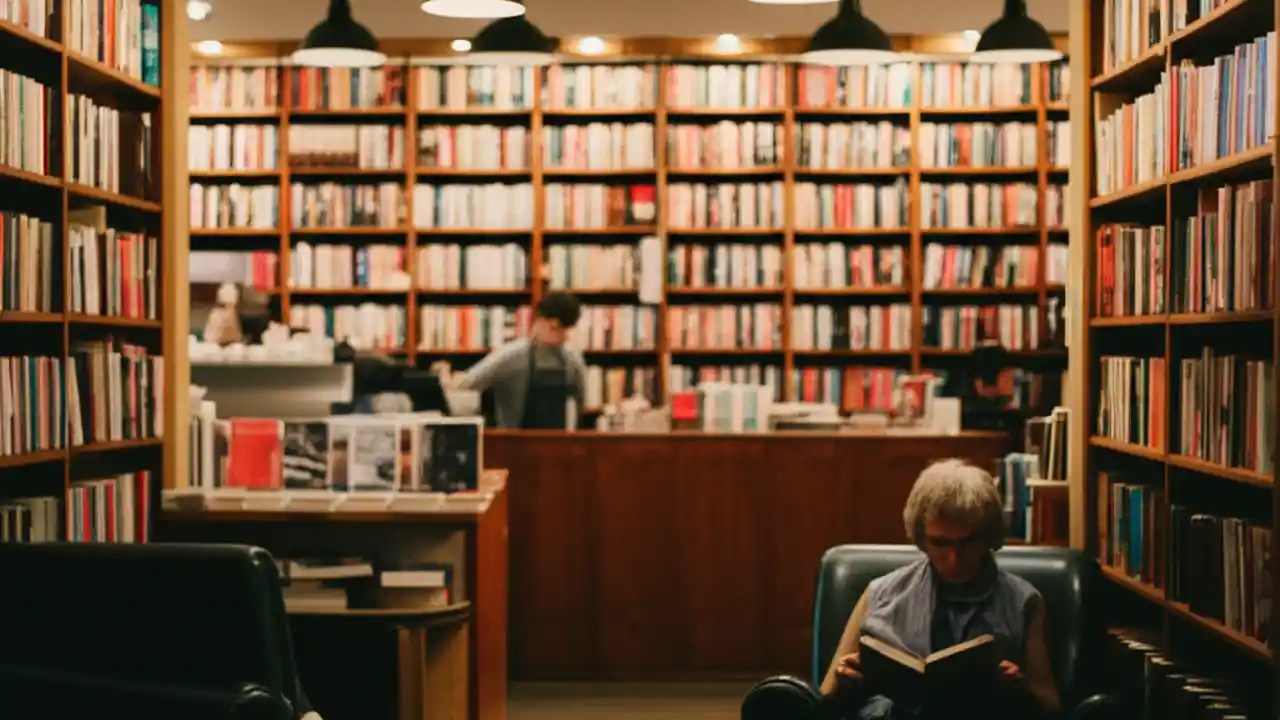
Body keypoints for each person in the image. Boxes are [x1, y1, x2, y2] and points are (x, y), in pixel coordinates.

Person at [819, 459, 1060, 720]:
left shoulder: (1023, 601)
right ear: (922, 540)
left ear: (989, 536)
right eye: (940, 543)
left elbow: (1051, 707)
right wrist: (848, 680)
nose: (954, 560)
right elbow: (825, 697)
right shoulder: (881, 593)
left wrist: (1018, 691)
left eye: (968, 542)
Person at [438, 291, 586, 429]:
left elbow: (580, 407)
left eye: (568, 330)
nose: (564, 336)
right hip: (512, 444)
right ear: (540, 320)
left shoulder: (572, 360)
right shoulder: (511, 356)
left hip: (559, 445)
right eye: (556, 328)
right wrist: (444, 377)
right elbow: (468, 383)